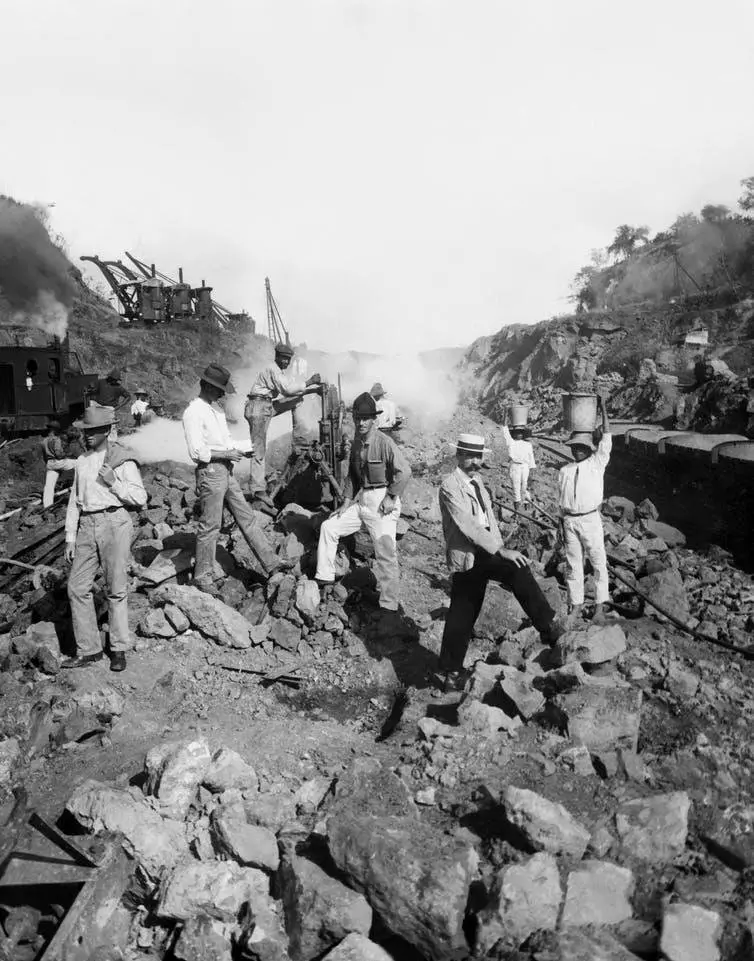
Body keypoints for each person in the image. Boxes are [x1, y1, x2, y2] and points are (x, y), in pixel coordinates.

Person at [438, 433, 563, 692]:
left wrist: (499, 548)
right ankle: (451, 672)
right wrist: (501, 550)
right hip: (467, 556)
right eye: (469, 456)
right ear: (459, 455)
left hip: (486, 551)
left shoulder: (478, 482)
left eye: (478, 456)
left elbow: (488, 521)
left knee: (517, 569)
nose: (474, 462)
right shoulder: (450, 486)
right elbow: (468, 525)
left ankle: (547, 626)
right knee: (463, 612)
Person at [183, 363, 287, 595]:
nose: (223, 393)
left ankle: (271, 563)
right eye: (221, 389)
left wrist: (246, 447)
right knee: (210, 525)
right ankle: (203, 576)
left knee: (246, 517)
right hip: (210, 472)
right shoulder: (194, 412)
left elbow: (225, 442)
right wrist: (227, 454)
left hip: (225, 471)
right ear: (209, 387)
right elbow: (197, 452)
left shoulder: (216, 411)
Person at [63, 404, 148, 672]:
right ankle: (89, 649)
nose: (87, 435)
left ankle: (119, 648)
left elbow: (140, 497)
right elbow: (74, 503)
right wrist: (69, 537)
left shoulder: (121, 459)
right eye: (85, 431)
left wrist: (113, 482)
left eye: (94, 430)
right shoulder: (83, 461)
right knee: (77, 587)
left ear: (107, 431)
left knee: (116, 588)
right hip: (87, 524)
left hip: (115, 521)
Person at [316, 391, 410, 617]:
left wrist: (391, 497)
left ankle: (389, 605)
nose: (361, 422)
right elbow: (352, 477)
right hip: (362, 501)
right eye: (358, 418)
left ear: (374, 419)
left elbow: (404, 471)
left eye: (366, 418)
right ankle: (325, 578)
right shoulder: (357, 443)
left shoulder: (384, 443)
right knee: (328, 527)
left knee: (385, 553)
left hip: (382, 501)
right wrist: (346, 503)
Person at [245, 343, 323, 502]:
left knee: (297, 399)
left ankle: (298, 438)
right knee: (258, 450)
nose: (286, 362)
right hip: (258, 407)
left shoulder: (278, 371)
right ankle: (258, 490)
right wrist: (310, 382)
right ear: (277, 356)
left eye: (288, 360)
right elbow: (287, 389)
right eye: (284, 359)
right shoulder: (272, 369)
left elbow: (292, 390)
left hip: (265, 405)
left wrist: (312, 391)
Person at [558, 394, 611, 620]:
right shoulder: (565, 471)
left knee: (598, 562)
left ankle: (599, 606)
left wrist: (604, 408)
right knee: (573, 565)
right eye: (575, 447)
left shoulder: (597, 464)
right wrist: (561, 524)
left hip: (590, 519)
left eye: (582, 446)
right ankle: (576, 605)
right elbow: (561, 502)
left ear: (589, 448)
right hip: (569, 521)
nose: (577, 450)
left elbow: (607, 437)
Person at [501, 411, 536, 506]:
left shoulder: (528, 445)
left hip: (525, 467)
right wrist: (505, 414)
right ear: (513, 434)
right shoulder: (511, 442)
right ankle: (517, 510)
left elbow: (531, 459)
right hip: (515, 466)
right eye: (517, 432)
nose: (519, 434)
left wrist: (531, 472)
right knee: (516, 488)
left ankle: (526, 507)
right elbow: (504, 429)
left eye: (520, 432)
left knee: (525, 487)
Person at [41, 420, 77, 508]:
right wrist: (68, 455)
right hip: (59, 462)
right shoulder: (56, 439)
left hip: (50, 463)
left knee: (49, 486)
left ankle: (47, 506)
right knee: (79, 463)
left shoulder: (43, 441)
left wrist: (49, 464)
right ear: (55, 429)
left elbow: (44, 457)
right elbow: (58, 454)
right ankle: (78, 490)